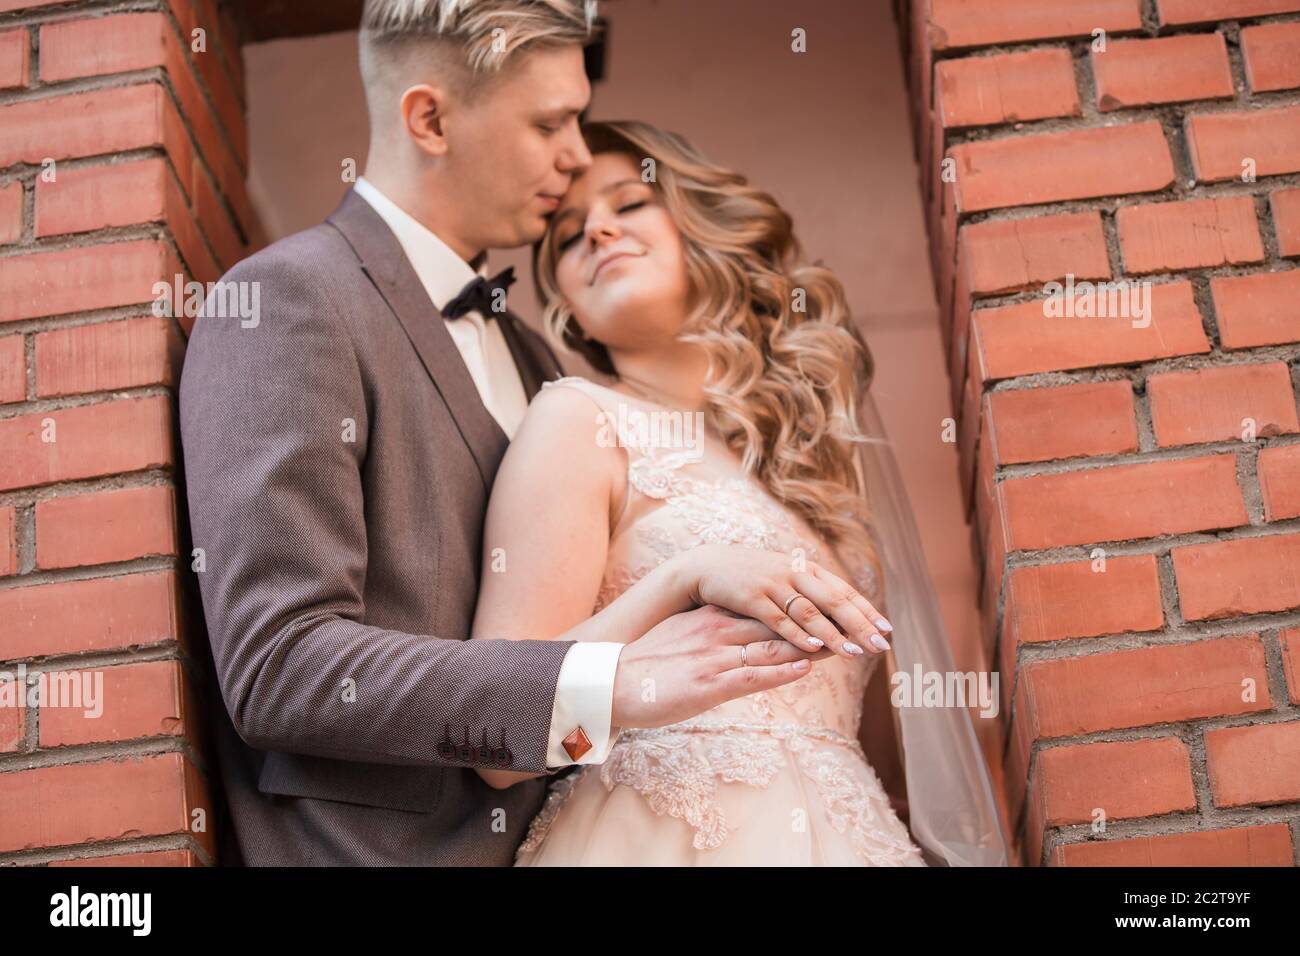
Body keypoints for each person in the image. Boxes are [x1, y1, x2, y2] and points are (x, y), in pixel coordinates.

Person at [177, 0, 878, 865]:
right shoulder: (288, 299)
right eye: (551, 121)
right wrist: (617, 677)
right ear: (430, 118)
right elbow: (279, 666)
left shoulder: (541, 359)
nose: (577, 153)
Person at [470, 120, 930, 865]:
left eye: (629, 203)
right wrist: (681, 579)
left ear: (698, 225)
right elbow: (499, 741)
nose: (597, 232)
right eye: (565, 237)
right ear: (567, 306)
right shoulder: (577, 420)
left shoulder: (810, 469)